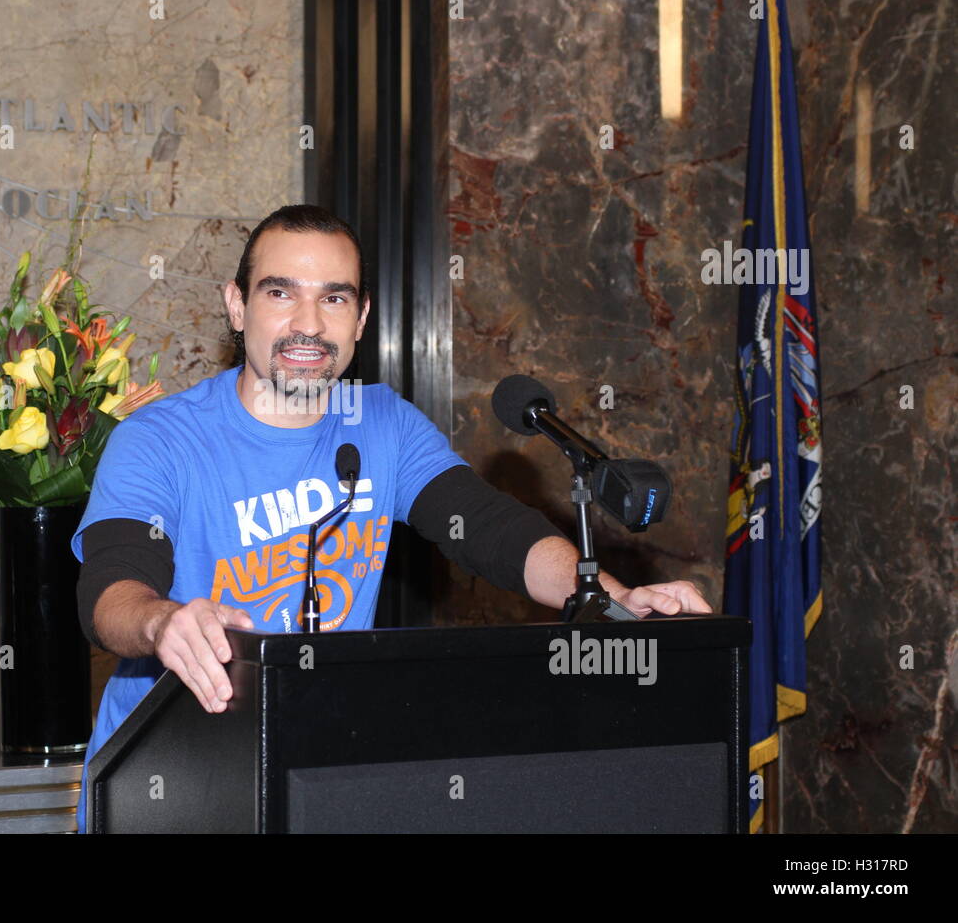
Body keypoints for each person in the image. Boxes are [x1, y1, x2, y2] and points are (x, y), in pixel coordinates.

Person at [68, 204, 711, 833]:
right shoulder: (159, 439)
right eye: (281, 293)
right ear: (237, 306)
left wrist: (620, 602)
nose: (308, 324)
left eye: (335, 298)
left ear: (362, 317)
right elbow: (111, 587)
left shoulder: (383, 425)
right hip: (173, 776)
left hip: (322, 773)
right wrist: (162, 623)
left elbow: (493, 530)